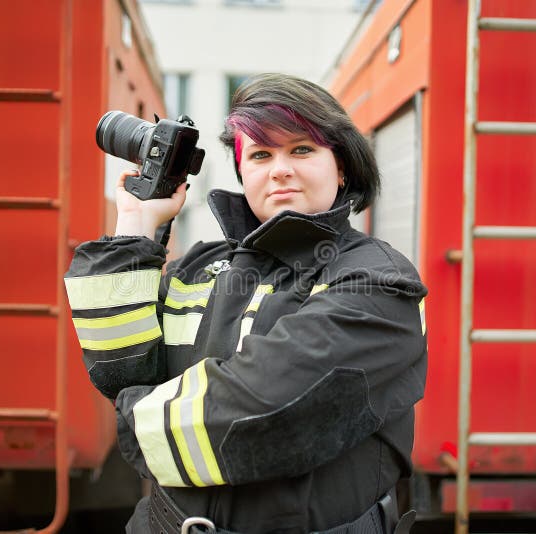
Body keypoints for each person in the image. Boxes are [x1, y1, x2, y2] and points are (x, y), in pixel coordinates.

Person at [64, 73, 428, 534]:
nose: (279, 169)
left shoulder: (377, 280)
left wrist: (135, 420)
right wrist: (135, 228)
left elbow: (265, 411)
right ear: (243, 175)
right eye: (260, 155)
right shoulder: (199, 267)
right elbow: (119, 369)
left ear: (341, 168)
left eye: (301, 149)